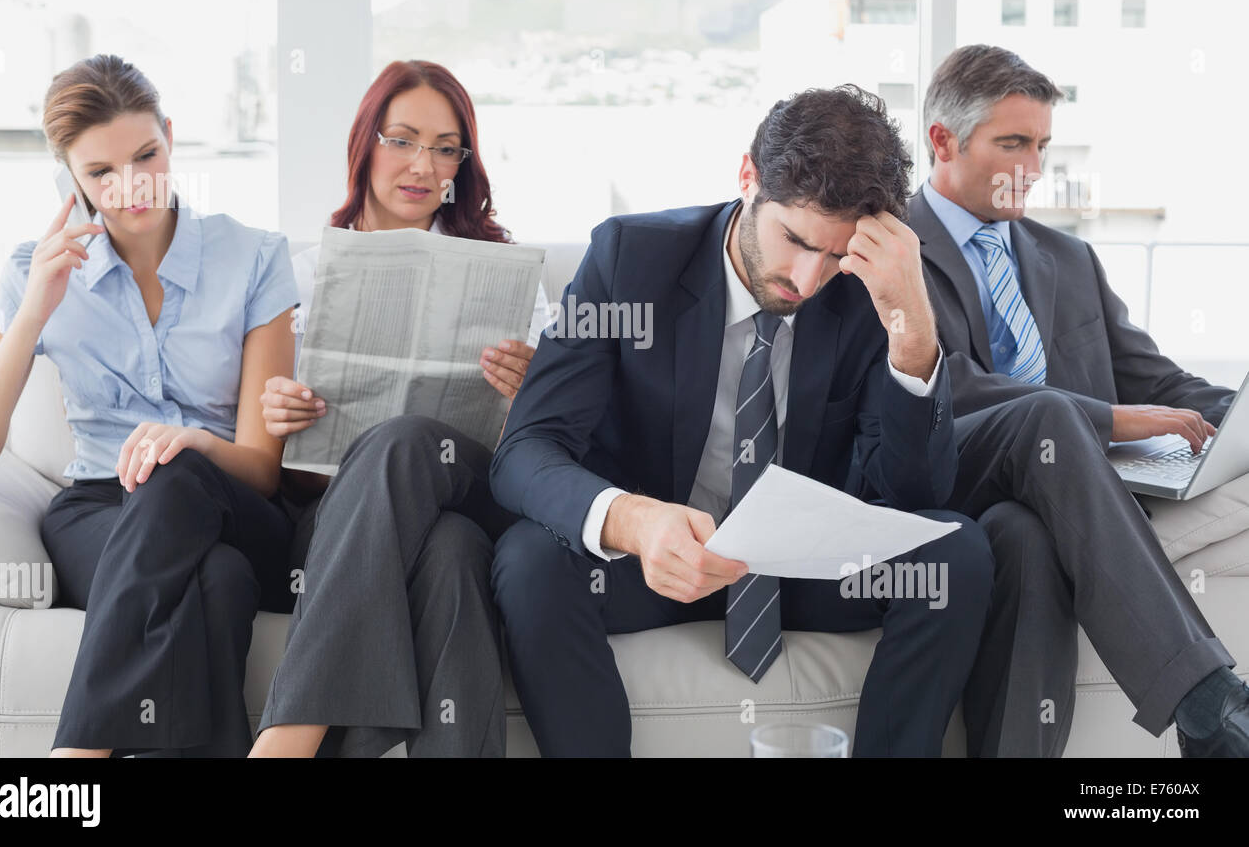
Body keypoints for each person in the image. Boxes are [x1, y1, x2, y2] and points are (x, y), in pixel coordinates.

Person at [489, 85, 995, 757]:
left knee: (955, 551)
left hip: (801, 568)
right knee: (529, 561)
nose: (809, 279)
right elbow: (527, 448)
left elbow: (915, 497)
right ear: (748, 175)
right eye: (794, 240)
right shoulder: (630, 259)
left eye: (837, 254)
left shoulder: (868, 286)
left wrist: (909, 325)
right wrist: (635, 522)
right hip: (653, 562)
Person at [0, 54, 300, 757]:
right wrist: (32, 315)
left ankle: (73, 760)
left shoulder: (255, 258)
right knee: (217, 581)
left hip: (229, 499)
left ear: (171, 136)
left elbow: (262, 470)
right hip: (100, 508)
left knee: (175, 473)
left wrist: (192, 444)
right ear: (68, 181)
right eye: (100, 173)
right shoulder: (33, 270)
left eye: (147, 155)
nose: (132, 185)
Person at [910, 43, 1249, 757]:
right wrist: (1107, 419)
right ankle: (1206, 700)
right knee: (1048, 412)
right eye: (1012, 143)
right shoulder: (893, 247)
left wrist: (1235, 413)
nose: (1032, 168)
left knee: (1027, 544)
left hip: (1047, 496)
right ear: (943, 141)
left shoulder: (1066, 258)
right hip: (943, 472)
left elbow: (1157, 382)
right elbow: (945, 384)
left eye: (1041, 145)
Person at [249, 60, 551, 757]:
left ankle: (290, 738)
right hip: (339, 521)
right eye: (404, 139)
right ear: (366, 142)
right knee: (450, 553)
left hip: (471, 483)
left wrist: (529, 396)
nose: (424, 164)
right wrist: (281, 419)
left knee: (408, 442)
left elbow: (542, 457)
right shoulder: (303, 272)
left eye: (446, 147)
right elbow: (283, 480)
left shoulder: (503, 270)